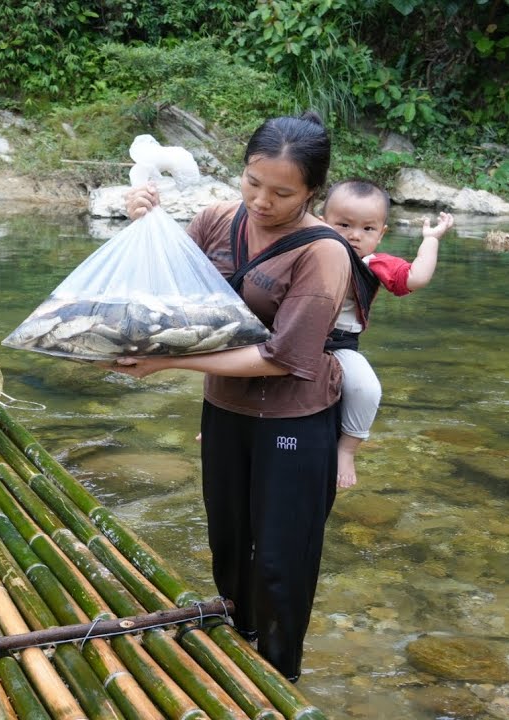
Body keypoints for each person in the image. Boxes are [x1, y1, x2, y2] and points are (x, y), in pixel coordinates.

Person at [114, 111, 364, 682]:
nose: (262, 201)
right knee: (228, 541)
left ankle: (281, 677)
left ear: (313, 193)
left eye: (282, 192)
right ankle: (240, 646)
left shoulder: (323, 253)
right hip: (225, 409)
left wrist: (167, 363)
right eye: (253, 182)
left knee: (280, 558)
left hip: (297, 417)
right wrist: (143, 223)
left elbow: (282, 357)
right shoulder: (215, 220)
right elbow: (172, 292)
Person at [319, 180, 454, 489]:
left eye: (368, 229)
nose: (354, 235)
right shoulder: (309, 248)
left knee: (367, 389)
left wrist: (431, 239)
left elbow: (416, 278)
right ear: (322, 221)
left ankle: (347, 449)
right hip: (296, 334)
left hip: (340, 343)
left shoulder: (374, 263)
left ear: (382, 234)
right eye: (343, 224)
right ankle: (223, 425)